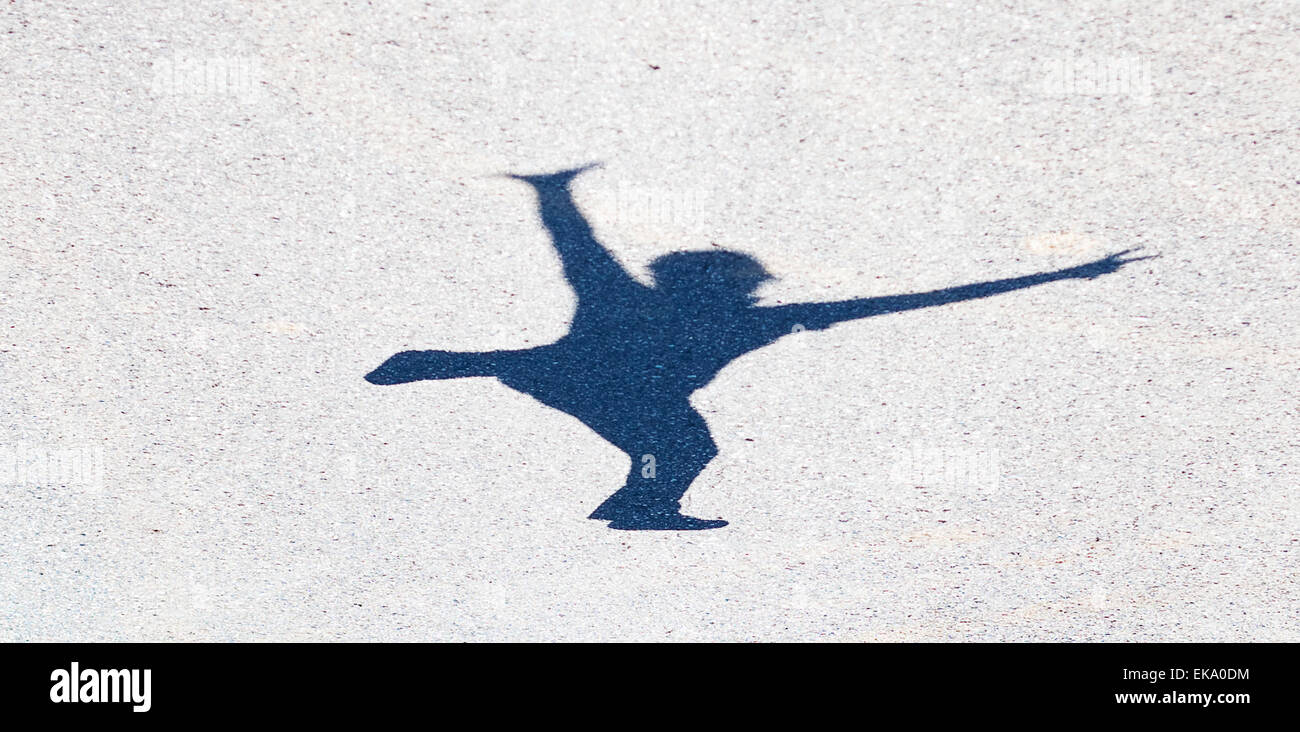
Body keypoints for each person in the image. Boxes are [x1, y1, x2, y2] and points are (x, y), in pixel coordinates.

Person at [366, 164, 1149, 530]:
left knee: (672, 443)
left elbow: (578, 247)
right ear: (733, 293)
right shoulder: (750, 324)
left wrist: (552, 192)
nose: (751, 294)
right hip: (609, 389)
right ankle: (640, 502)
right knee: (680, 446)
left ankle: (634, 493)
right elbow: (895, 304)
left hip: (571, 378)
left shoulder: (635, 299)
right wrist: (1067, 275)